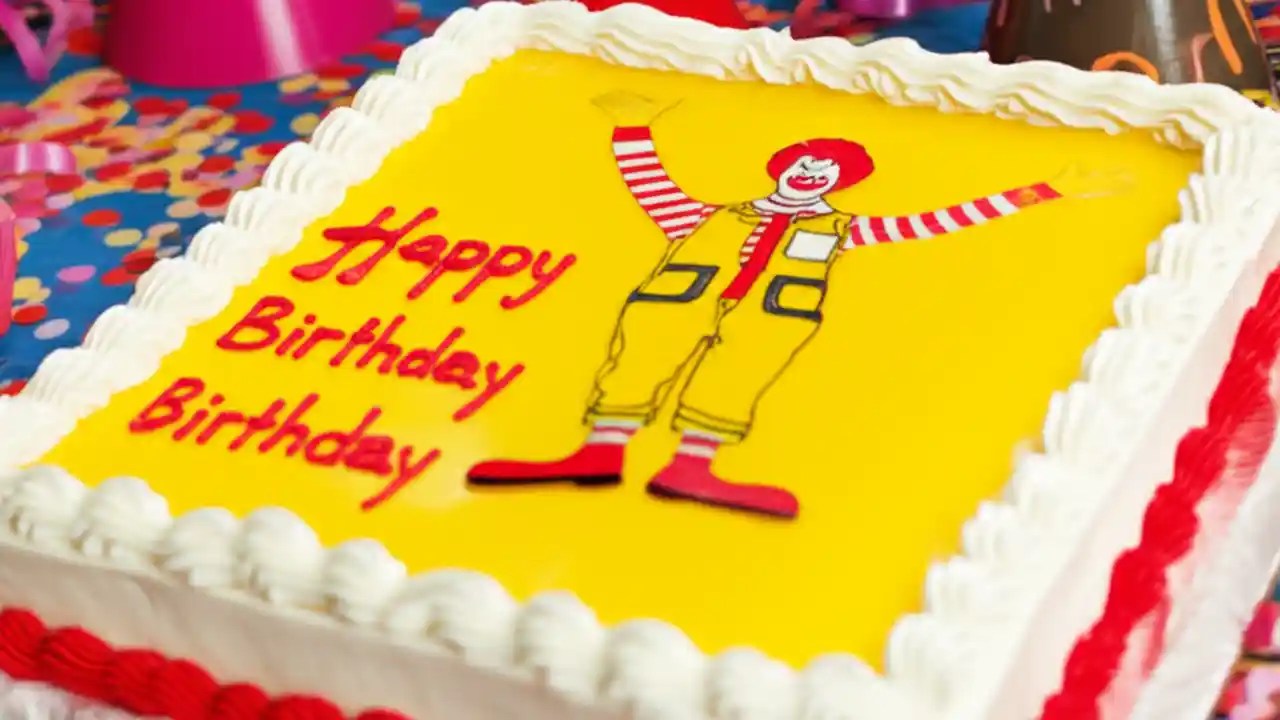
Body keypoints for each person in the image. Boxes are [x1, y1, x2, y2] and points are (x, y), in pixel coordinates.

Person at [466, 91, 1129, 519]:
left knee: (736, 379)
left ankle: (691, 467)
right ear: (784, 166)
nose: (811, 174)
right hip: (675, 302)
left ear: (841, 182)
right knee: (638, 361)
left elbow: (929, 223)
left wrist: (1037, 193)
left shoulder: (839, 229)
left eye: (827, 170)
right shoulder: (707, 214)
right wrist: (632, 127)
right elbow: (650, 184)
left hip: (770, 318)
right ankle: (600, 452)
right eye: (804, 162)